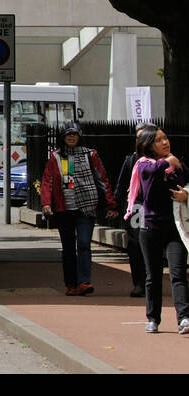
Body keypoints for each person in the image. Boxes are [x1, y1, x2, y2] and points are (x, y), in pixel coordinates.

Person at [40, 122, 118, 297]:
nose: (72, 137)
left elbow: (102, 179)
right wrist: (46, 203)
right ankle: (71, 284)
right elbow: (47, 181)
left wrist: (111, 204)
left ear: (80, 136)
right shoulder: (56, 157)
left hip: (86, 207)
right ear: (63, 137)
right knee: (68, 248)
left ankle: (84, 281)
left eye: (74, 134)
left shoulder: (91, 155)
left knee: (83, 244)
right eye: (68, 134)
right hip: (63, 209)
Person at [129, 126, 189, 333]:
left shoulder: (177, 164)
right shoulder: (143, 165)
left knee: (178, 272)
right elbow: (150, 178)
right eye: (159, 140)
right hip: (150, 227)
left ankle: (184, 318)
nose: (165, 142)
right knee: (152, 275)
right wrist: (167, 162)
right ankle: (153, 318)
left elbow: (187, 183)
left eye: (166, 138)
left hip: (175, 226)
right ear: (148, 145)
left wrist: (186, 195)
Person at [116, 122, 157, 298]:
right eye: (138, 137)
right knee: (135, 244)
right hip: (137, 207)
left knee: (154, 245)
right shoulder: (131, 159)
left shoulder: (162, 160)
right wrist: (114, 206)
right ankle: (139, 283)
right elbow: (122, 184)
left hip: (155, 208)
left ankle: (152, 280)